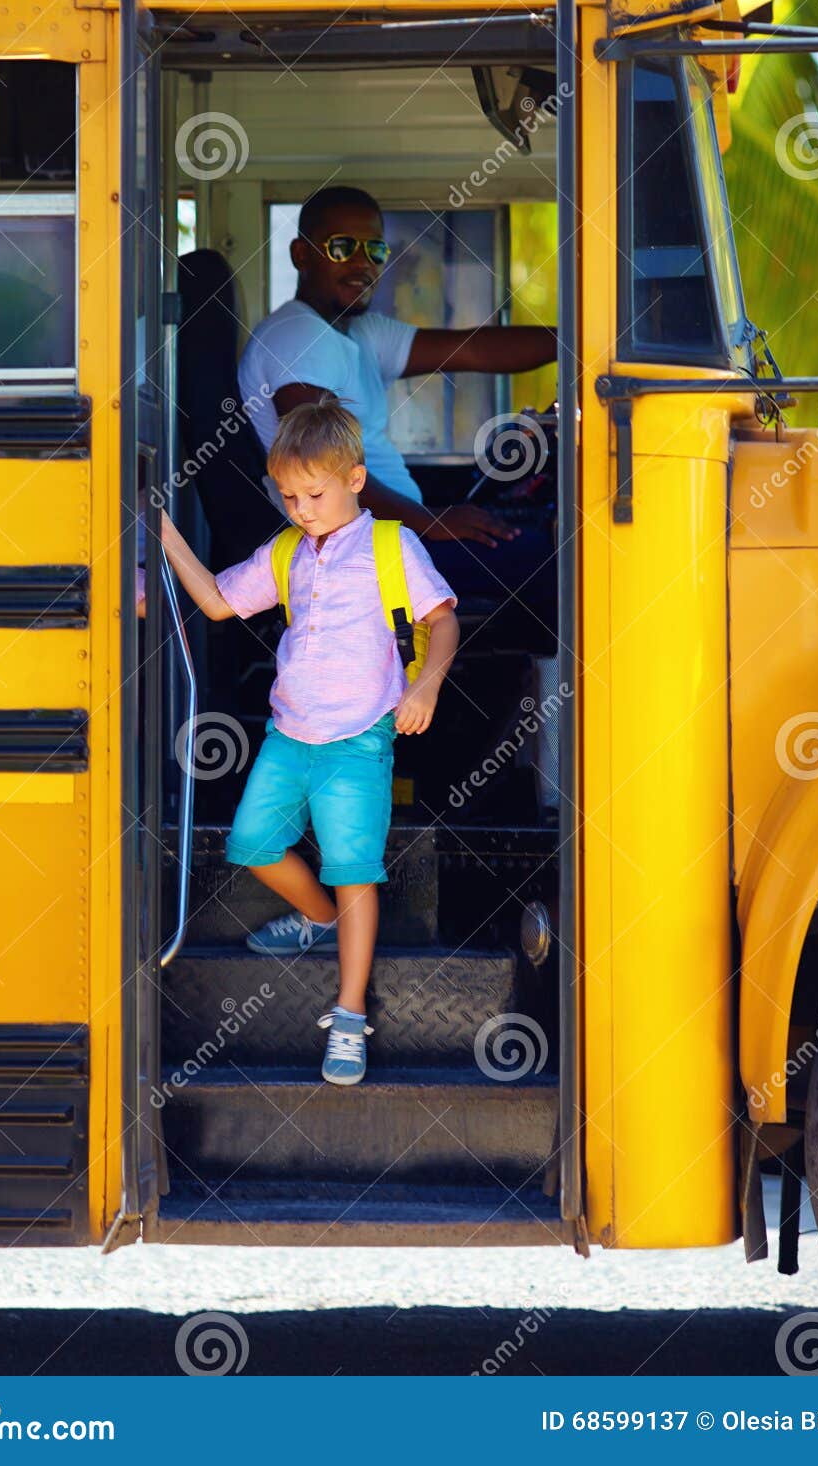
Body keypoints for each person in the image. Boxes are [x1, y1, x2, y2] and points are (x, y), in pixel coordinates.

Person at [160, 395, 459, 1087]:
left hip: (359, 739)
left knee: (354, 870)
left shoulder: (392, 545)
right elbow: (215, 601)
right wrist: (163, 532)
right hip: (287, 733)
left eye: (314, 494)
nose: (301, 508)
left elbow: (442, 622)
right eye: (288, 495)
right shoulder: (288, 549)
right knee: (252, 845)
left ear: (355, 480)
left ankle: (349, 1015)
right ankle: (318, 920)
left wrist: (426, 689)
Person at [237, 184, 557, 646]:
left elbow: (470, 349)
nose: (362, 264)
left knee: (537, 543)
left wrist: (580, 339)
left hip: (393, 534)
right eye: (342, 247)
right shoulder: (296, 339)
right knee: (554, 561)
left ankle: (519, 697)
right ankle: (546, 707)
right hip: (361, 555)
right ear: (301, 255)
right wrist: (434, 520)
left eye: (375, 249)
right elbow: (324, 476)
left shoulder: (355, 331)